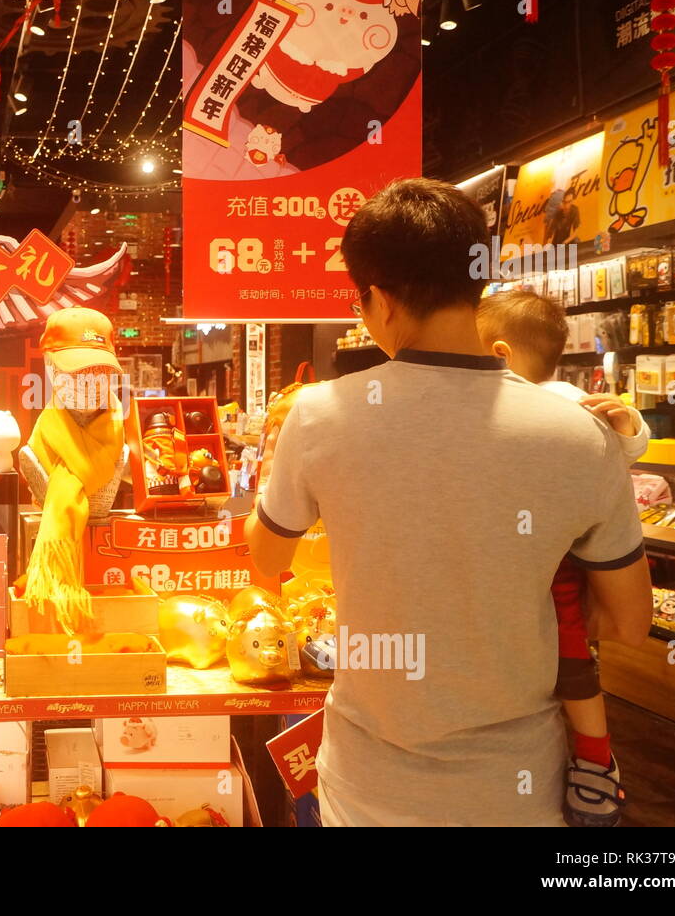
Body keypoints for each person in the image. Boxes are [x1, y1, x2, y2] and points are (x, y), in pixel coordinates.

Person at [245, 178, 652, 826]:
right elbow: (631, 621)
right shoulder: (581, 434)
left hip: (370, 781)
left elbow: (268, 560)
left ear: (379, 300)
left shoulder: (319, 415)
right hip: (518, 786)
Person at [477, 290, 649, 825]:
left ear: (500, 355)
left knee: (573, 659)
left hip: (560, 563)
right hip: (527, 555)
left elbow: (625, 445)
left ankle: (597, 759)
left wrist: (628, 422)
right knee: (560, 657)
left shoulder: (561, 401)